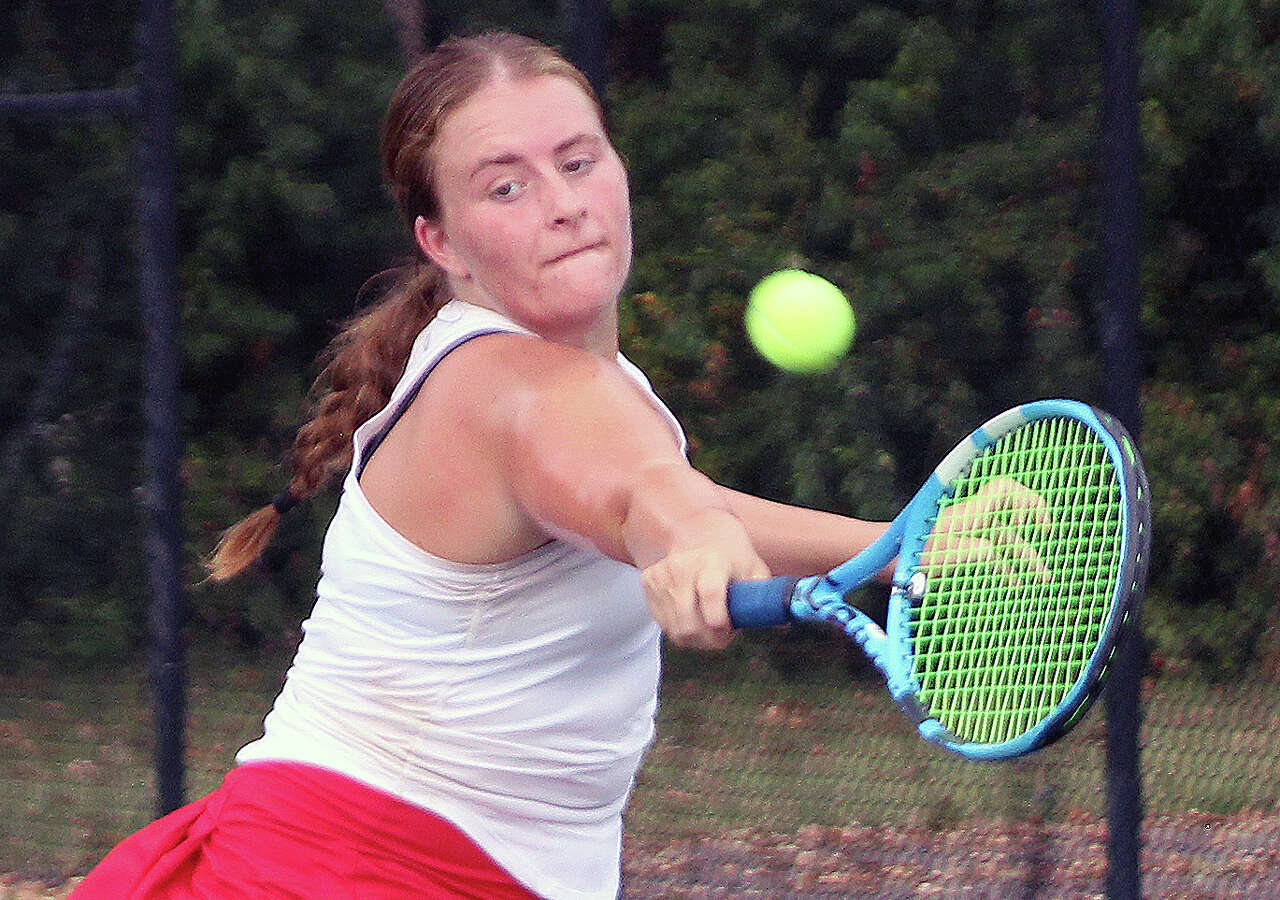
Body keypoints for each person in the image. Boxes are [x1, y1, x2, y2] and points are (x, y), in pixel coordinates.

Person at [71, 31, 892, 900]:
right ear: (443, 243)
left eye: (579, 163)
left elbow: (677, 492)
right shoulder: (507, 386)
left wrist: (896, 545)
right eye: (506, 186)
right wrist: (690, 539)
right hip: (344, 873)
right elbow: (648, 496)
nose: (563, 204)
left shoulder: (592, 391)